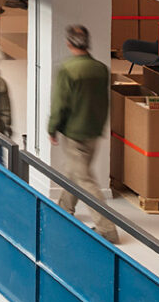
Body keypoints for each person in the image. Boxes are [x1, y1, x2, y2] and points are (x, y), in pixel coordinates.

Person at [47, 24, 119, 240]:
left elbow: (60, 104)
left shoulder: (68, 70)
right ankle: (64, 208)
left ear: (68, 43)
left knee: (85, 179)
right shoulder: (100, 68)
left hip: (74, 132)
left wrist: (52, 128)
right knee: (75, 170)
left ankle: (107, 228)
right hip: (94, 130)